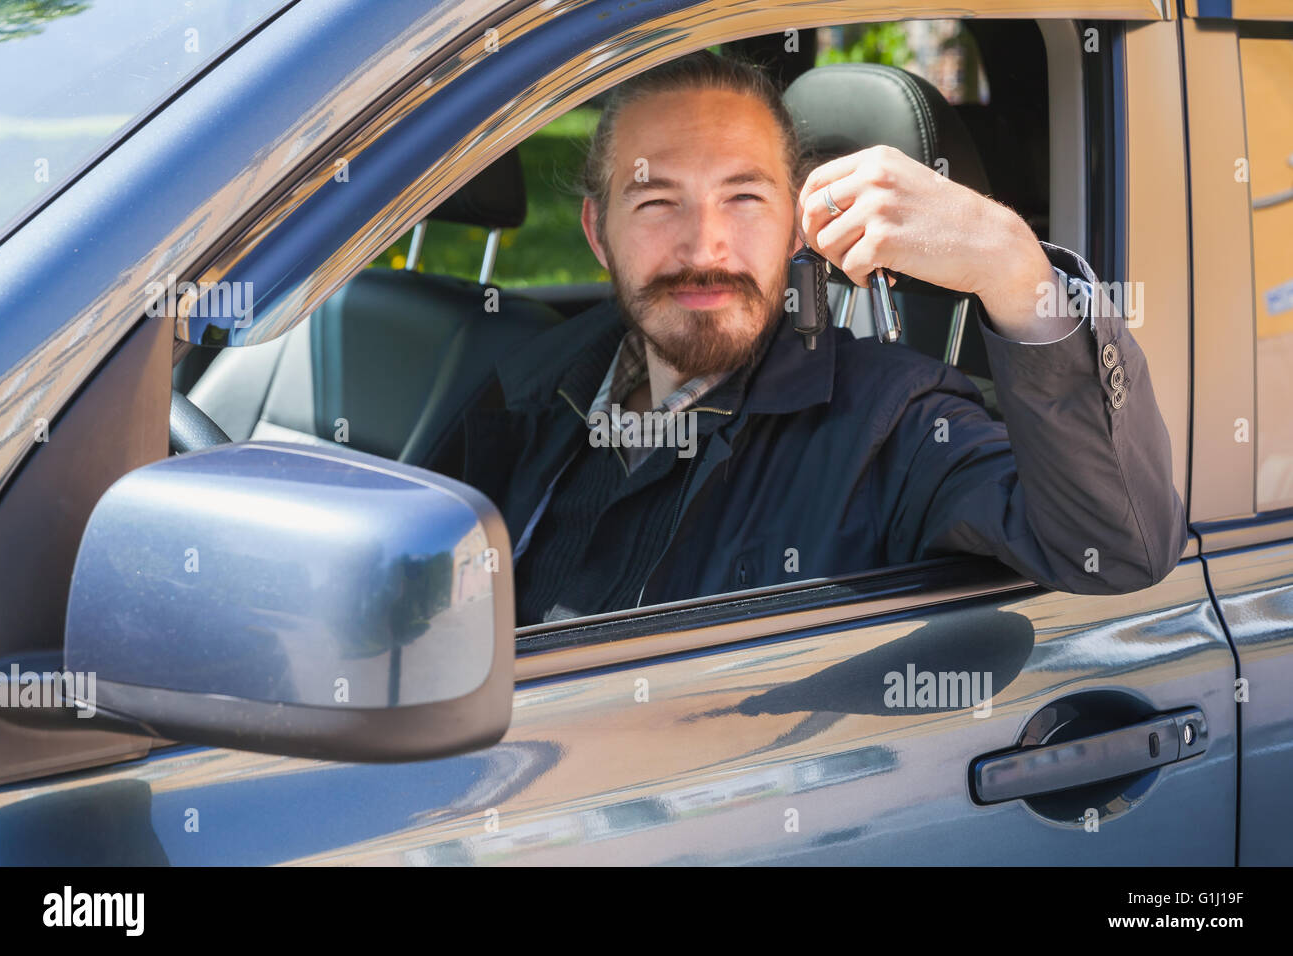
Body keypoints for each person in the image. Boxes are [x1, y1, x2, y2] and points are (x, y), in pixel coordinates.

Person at [450, 51, 1187, 626]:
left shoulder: (890, 426)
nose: (704, 247)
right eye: (656, 201)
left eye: (743, 198)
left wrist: (1011, 264)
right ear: (598, 235)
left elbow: (1118, 548)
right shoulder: (528, 382)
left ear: (798, 221)